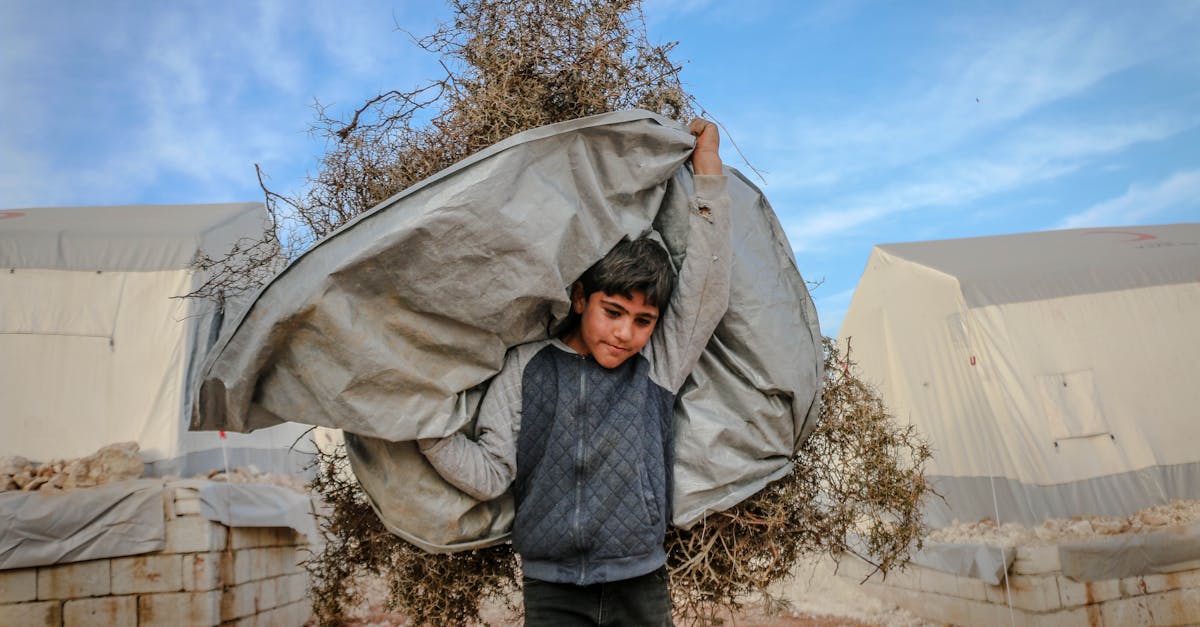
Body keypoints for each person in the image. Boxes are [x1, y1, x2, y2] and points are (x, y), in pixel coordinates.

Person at [419, 118, 730, 626]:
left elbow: (707, 285)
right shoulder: (526, 367)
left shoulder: (658, 366)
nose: (626, 333)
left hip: (640, 580)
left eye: (643, 321)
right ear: (581, 299)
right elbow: (494, 472)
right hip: (551, 587)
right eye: (613, 311)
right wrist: (429, 435)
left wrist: (709, 169)